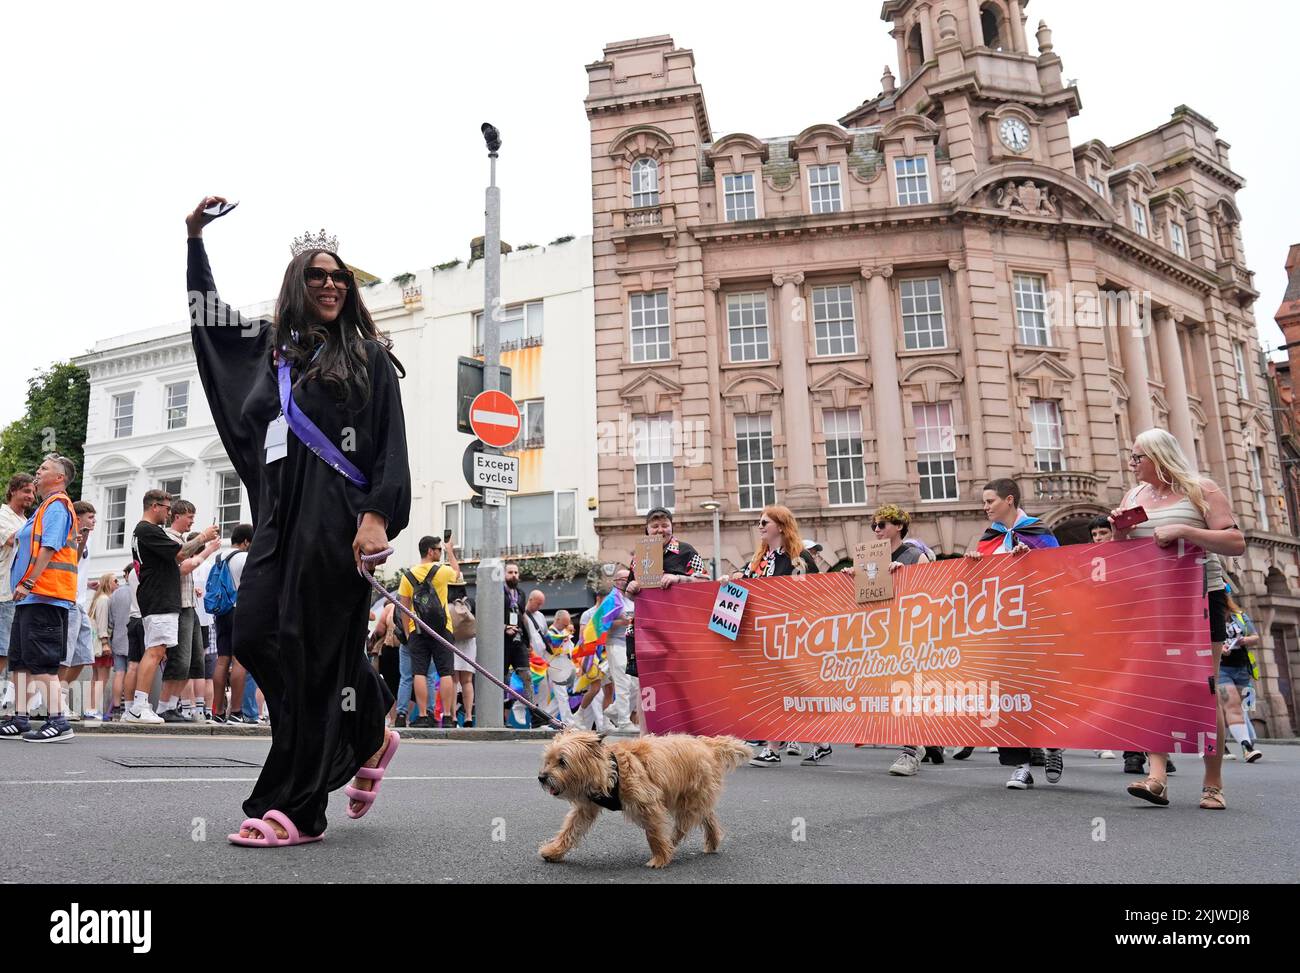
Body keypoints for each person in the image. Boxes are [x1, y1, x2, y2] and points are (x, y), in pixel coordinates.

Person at [188, 196, 410, 844]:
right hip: (277, 524)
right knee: (255, 633)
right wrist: (195, 238)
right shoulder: (268, 352)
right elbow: (208, 326)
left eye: (339, 277)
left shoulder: (367, 355)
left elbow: (390, 444)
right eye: (318, 276)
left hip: (335, 526)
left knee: (316, 659)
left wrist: (375, 519)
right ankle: (366, 721)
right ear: (296, 286)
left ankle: (297, 806)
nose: (331, 285)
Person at [1112, 429, 1244, 810]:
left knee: (1201, 688)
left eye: (1138, 457)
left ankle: (1212, 783)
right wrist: (1120, 534)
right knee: (1153, 685)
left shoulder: (1200, 489)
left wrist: (1186, 531)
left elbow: (1235, 542)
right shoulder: (1134, 496)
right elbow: (1123, 555)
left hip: (1202, 597)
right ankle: (1156, 777)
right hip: (1153, 600)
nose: (1132, 463)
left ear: (1158, 456)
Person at [964, 478, 1063, 789]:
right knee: (1005, 693)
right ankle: (1019, 765)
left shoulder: (1039, 532)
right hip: (1001, 627)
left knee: (1041, 690)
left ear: (1009, 500)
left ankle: (1054, 744)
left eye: (990, 501)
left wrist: (1031, 562)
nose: (985, 507)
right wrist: (974, 565)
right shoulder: (989, 537)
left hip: (1037, 626)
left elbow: (1059, 573)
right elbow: (977, 585)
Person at [727, 505, 828, 768]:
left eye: (765, 522)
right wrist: (736, 577)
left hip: (793, 634)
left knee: (793, 689)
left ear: (781, 526)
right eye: (759, 522)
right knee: (780, 689)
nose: (760, 526)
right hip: (764, 635)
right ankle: (816, 741)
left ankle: (777, 747)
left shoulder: (800, 558)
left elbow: (815, 595)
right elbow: (745, 586)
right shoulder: (757, 560)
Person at [0, 455, 82, 742]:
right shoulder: (43, 508)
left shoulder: (58, 506)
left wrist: (30, 580)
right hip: (29, 597)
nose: (38, 471)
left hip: (45, 595)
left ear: (59, 478)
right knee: (21, 660)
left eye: (44, 469)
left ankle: (59, 721)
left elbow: (49, 546)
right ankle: (19, 719)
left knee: (42, 661)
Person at [864, 504, 947, 777]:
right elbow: (866, 598)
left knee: (910, 688)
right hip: (884, 633)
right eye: (874, 526)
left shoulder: (915, 555)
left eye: (882, 525)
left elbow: (931, 593)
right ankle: (929, 740)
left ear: (898, 526)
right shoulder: (871, 558)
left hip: (912, 633)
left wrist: (906, 576)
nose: (877, 530)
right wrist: (851, 579)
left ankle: (911, 749)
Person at [623, 507, 709, 730]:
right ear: (647, 529)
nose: (660, 530)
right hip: (644, 630)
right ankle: (646, 739)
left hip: (677, 631)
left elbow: (707, 583)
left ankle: (683, 736)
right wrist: (630, 588)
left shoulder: (686, 551)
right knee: (646, 686)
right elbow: (631, 595)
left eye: (664, 525)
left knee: (679, 683)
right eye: (655, 526)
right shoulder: (640, 556)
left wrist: (678, 579)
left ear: (672, 526)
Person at [163, 501, 221, 723]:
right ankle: (166, 706)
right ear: (177, 516)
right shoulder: (170, 537)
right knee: (180, 659)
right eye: (189, 517)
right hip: (179, 605)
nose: (192, 521)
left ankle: (174, 706)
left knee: (194, 661)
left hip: (190, 606)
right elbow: (182, 567)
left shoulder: (178, 539)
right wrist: (206, 545)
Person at [396, 535, 460, 727]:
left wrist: (408, 632)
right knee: (446, 672)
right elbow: (458, 574)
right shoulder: (442, 571)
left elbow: (404, 605)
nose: (440, 552)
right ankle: (447, 717)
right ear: (431, 551)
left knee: (419, 673)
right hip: (442, 628)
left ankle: (423, 716)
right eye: (439, 549)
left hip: (418, 629)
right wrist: (450, 550)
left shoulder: (408, 575)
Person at [209, 524, 253, 724]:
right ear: (246, 541)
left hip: (222, 612)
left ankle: (217, 711)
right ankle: (236, 711)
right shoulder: (244, 558)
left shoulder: (218, 557)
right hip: (239, 610)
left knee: (221, 660)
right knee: (239, 660)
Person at [0, 473, 36, 714]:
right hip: (5, 593)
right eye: (26, 491)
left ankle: (12, 702)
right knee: (3, 651)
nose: (31, 497)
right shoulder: (4, 516)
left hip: (23, 594)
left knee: (18, 653)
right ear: (12, 490)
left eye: (33, 492)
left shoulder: (27, 519)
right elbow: (15, 540)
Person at [59, 500, 98, 721]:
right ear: (78, 517)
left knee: (84, 655)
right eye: (90, 517)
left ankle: (60, 695)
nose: (94, 521)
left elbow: (79, 570)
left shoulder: (89, 539)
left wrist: (88, 583)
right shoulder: (70, 535)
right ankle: (55, 701)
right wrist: (80, 540)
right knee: (65, 654)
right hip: (68, 601)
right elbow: (71, 562)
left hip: (80, 601)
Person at [1218, 590, 1263, 763]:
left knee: (1243, 706)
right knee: (1232, 705)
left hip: (1242, 668)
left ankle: (1224, 743)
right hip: (1221, 668)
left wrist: (1245, 640)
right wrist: (1218, 648)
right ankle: (1247, 747)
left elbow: (1255, 636)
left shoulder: (1239, 615)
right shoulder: (1207, 616)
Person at [502, 563, 539, 724]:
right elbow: (488, 617)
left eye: (516, 572)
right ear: (504, 574)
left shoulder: (521, 593)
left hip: (519, 642)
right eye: (510, 572)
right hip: (501, 643)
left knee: (527, 677)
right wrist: (504, 628)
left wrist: (529, 639)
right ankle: (502, 718)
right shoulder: (497, 593)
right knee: (502, 680)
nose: (514, 575)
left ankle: (534, 715)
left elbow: (523, 617)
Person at [86, 572, 117, 719]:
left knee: (96, 677)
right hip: (102, 644)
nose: (118, 583)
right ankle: (93, 709)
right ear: (107, 583)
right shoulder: (105, 600)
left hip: (95, 644)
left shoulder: (98, 599)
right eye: (115, 581)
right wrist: (105, 643)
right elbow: (102, 623)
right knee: (102, 678)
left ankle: (90, 709)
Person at [107, 565, 134, 720]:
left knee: (119, 673)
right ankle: (131, 707)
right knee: (133, 671)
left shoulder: (115, 594)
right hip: (134, 637)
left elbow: (111, 620)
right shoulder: (139, 591)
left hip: (118, 638)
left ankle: (116, 709)